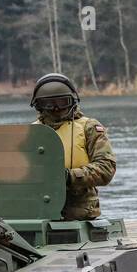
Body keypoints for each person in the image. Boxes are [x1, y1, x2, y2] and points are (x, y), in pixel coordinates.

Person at [30, 73, 115, 220]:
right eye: (49, 104)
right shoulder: (31, 133)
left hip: (81, 214)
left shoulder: (89, 128)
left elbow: (106, 168)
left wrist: (69, 176)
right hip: (39, 213)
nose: (56, 108)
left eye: (62, 102)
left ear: (73, 102)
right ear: (38, 105)